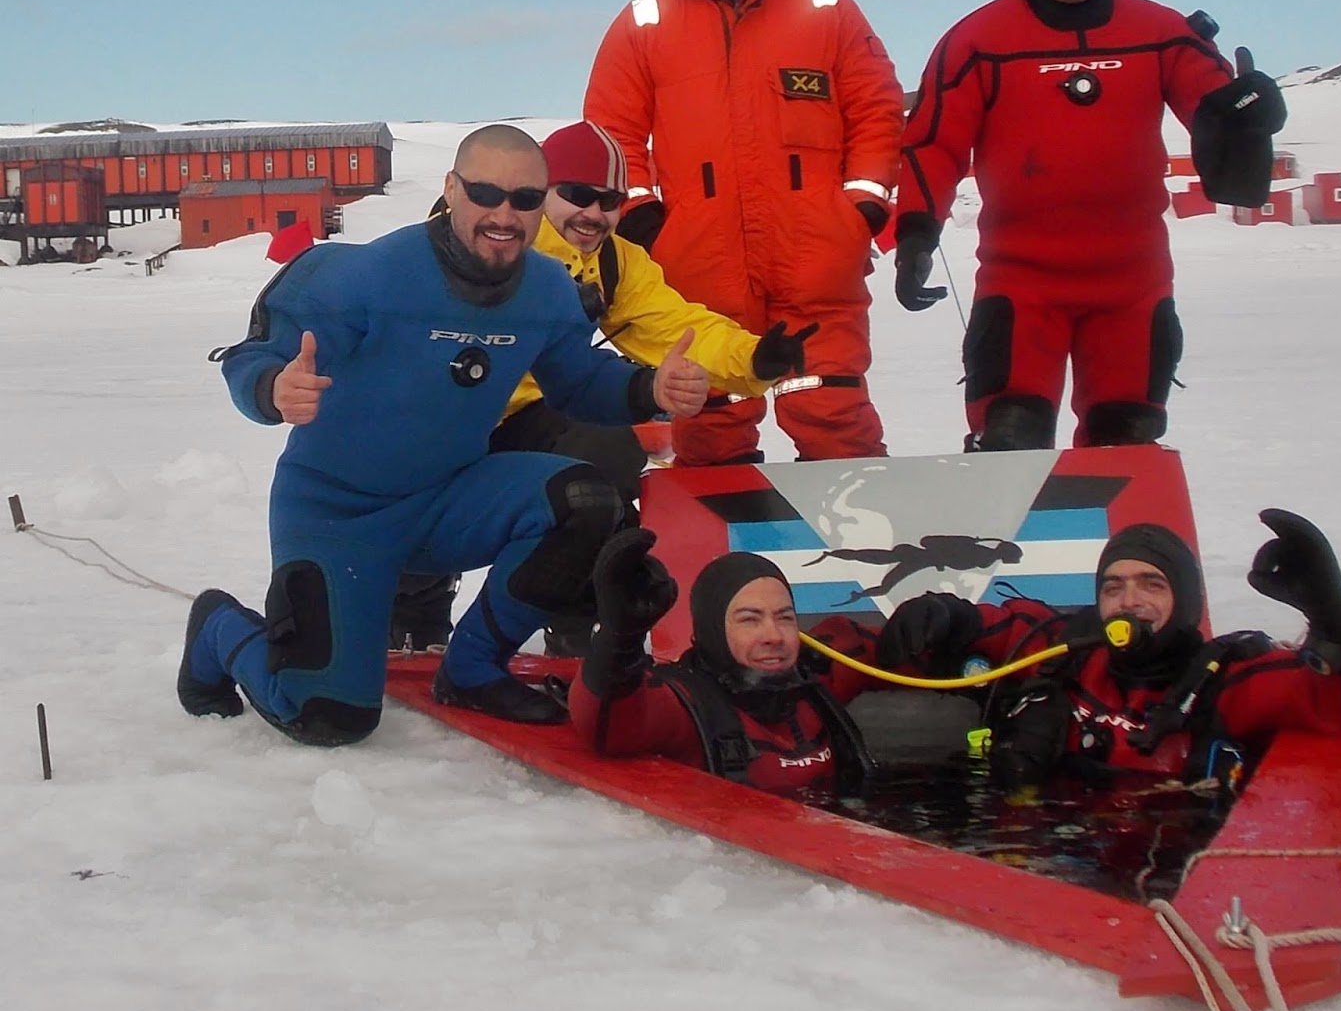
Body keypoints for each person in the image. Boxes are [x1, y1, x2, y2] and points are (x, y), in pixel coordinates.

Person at [177, 124, 710, 743]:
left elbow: (578, 383)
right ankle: (218, 627)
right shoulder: (363, 275)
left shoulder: (545, 289)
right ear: (451, 188)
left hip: (446, 500)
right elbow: (251, 357)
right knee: (329, 717)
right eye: (485, 193)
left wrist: (651, 390)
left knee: (584, 500)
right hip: (337, 517)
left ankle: (474, 668)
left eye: (525, 199)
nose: (504, 214)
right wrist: (274, 388)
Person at [390, 119, 819, 656]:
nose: (593, 213)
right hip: (433, 422)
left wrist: (754, 357)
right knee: (412, 470)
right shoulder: (477, 242)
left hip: (526, 420)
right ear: (539, 191)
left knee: (605, 447)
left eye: (609, 200)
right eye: (576, 195)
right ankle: (411, 602)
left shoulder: (614, 263)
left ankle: (574, 617)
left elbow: (678, 330)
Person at [894, 0, 1288, 452]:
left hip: (1132, 286)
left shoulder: (1161, 32)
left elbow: (1216, 111)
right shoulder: (977, 40)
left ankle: (1124, 547)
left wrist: (1249, 113)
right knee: (1011, 440)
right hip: (1021, 286)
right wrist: (915, 233)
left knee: (1125, 439)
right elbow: (933, 144)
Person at [584, 0, 905, 465]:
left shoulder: (826, 6)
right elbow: (611, 134)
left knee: (833, 413)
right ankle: (718, 559)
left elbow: (877, 109)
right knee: (711, 422)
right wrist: (643, 215)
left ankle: (862, 548)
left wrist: (861, 203)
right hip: (698, 265)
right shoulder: (644, 21)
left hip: (817, 256)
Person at [874, 509, 1341, 791]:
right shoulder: (1065, 647)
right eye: (1113, 587)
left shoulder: (1222, 679)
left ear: (1185, 600)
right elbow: (997, 626)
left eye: (1152, 585)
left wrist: (1338, 622)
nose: (1129, 603)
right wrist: (944, 613)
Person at [568, 529, 893, 793]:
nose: (774, 636)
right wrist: (620, 639)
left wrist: (927, 626)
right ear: (713, 631)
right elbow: (607, 724)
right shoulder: (687, 706)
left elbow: (886, 649)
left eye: (784, 618)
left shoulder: (816, 678)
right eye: (750, 620)